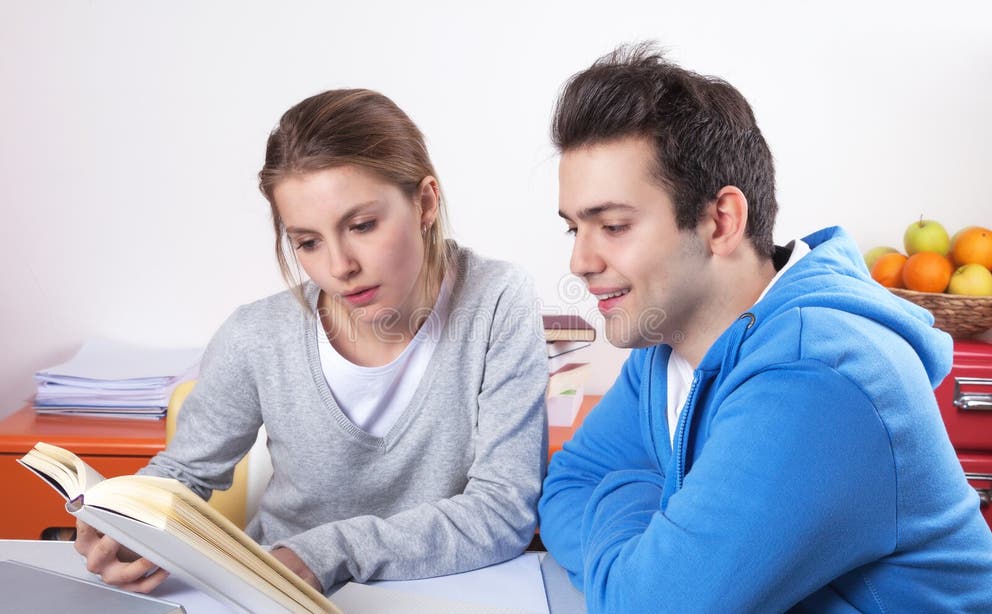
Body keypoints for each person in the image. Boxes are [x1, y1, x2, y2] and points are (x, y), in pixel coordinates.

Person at [538, 43, 992, 613]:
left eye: (612, 225)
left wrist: (644, 503)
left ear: (720, 221)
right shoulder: (665, 348)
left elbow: (652, 604)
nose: (579, 261)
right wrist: (664, 540)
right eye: (573, 229)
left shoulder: (821, 375)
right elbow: (566, 487)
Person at [75, 88, 549, 594]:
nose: (340, 267)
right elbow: (184, 472)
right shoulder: (256, 335)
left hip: (447, 588)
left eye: (363, 225)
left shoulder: (497, 301)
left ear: (426, 201)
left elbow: (503, 511)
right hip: (279, 592)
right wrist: (128, 518)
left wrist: (326, 552)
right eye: (307, 242)